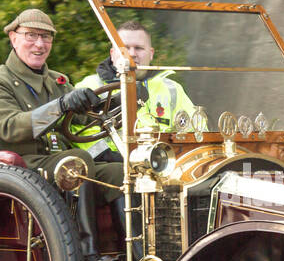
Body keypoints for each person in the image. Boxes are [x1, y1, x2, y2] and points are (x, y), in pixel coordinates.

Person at [0, 9, 125, 261]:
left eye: (46, 37)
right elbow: (9, 127)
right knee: (77, 160)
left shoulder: (57, 80)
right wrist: (61, 105)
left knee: (122, 172)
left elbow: (84, 121)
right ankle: (84, 259)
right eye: (31, 35)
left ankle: (134, 260)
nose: (39, 44)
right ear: (13, 38)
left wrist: (119, 102)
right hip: (23, 168)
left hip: (61, 162)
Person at [69, 20, 197, 159]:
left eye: (139, 48)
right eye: (124, 48)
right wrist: (112, 158)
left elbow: (196, 130)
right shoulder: (89, 87)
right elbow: (77, 131)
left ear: (151, 53)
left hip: (166, 167)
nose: (132, 54)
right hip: (109, 172)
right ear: (112, 54)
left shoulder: (172, 89)